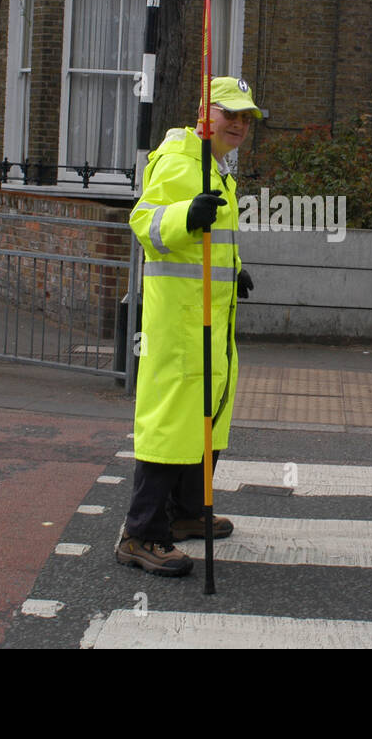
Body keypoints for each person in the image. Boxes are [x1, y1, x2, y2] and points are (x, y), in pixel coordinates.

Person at [117, 76, 262, 577]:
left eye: (246, 118)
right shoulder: (181, 161)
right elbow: (145, 223)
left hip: (211, 320)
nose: (239, 125)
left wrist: (233, 268)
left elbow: (208, 240)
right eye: (230, 115)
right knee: (171, 424)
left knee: (210, 418)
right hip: (181, 325)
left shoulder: (217, 170)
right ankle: (141, 534)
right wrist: (185, 215)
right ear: (206, 113)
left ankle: (181, 515)